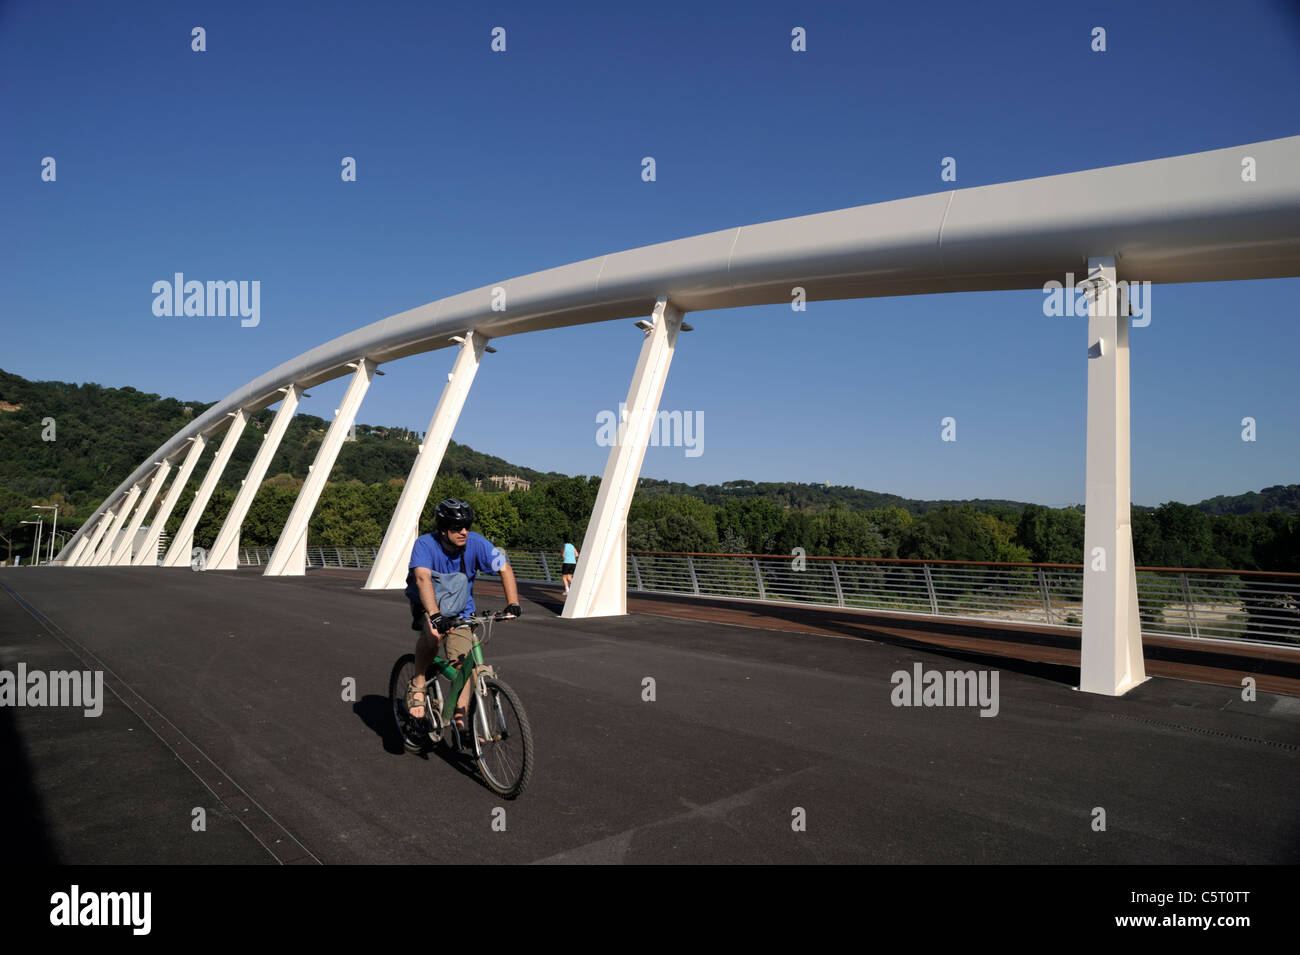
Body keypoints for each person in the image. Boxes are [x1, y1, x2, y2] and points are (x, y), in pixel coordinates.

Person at [404, 499, 521, 733]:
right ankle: (418, 682)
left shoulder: (476, 542)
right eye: (458, 528)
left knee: (463, 663)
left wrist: (513, 603)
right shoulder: (425, 545)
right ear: (443, 529)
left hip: (460, 612)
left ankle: (460, 723)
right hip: (428, 605)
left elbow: (504, 566)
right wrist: (435, 616)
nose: (464, 531)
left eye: (467, 525)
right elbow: (422, 579)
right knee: (433, 635)